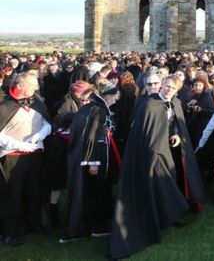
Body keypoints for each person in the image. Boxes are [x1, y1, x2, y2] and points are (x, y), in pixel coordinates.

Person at [109, 75, 204, 260]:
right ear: (161, 86)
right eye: (166, 86)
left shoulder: (174, 103)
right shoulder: (149, 104)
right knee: (157, 186)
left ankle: (167, 216)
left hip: (166, 150)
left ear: (177, 91)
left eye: (172, 88)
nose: (168, 90)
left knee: (171, 179)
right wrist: (152, 152)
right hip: (149, 155)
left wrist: (176, 133)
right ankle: (155, 220)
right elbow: (144, 131)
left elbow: (174, 122)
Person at [61, 84, 122, 242]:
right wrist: (93, 161)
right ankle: (96, 227)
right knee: (95, 192)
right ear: (109, 96)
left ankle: (88, 225)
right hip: (92, 160)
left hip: (81, 159)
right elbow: (93, 136)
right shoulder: (98, 110)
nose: (116, 99)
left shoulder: (88, 109)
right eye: (115, 96)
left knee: (89, 192)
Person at [0, 71, 52, 247]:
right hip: (12, 157)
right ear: (20, 86)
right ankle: (9, 231)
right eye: (32, 85)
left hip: (35, 155)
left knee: (34, 190)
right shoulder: (4, 105)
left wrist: (41, 134)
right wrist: (19, 145)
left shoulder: (36, 101)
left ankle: (32, 223)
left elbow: (46, 122)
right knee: (12, 195)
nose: (35, 88)